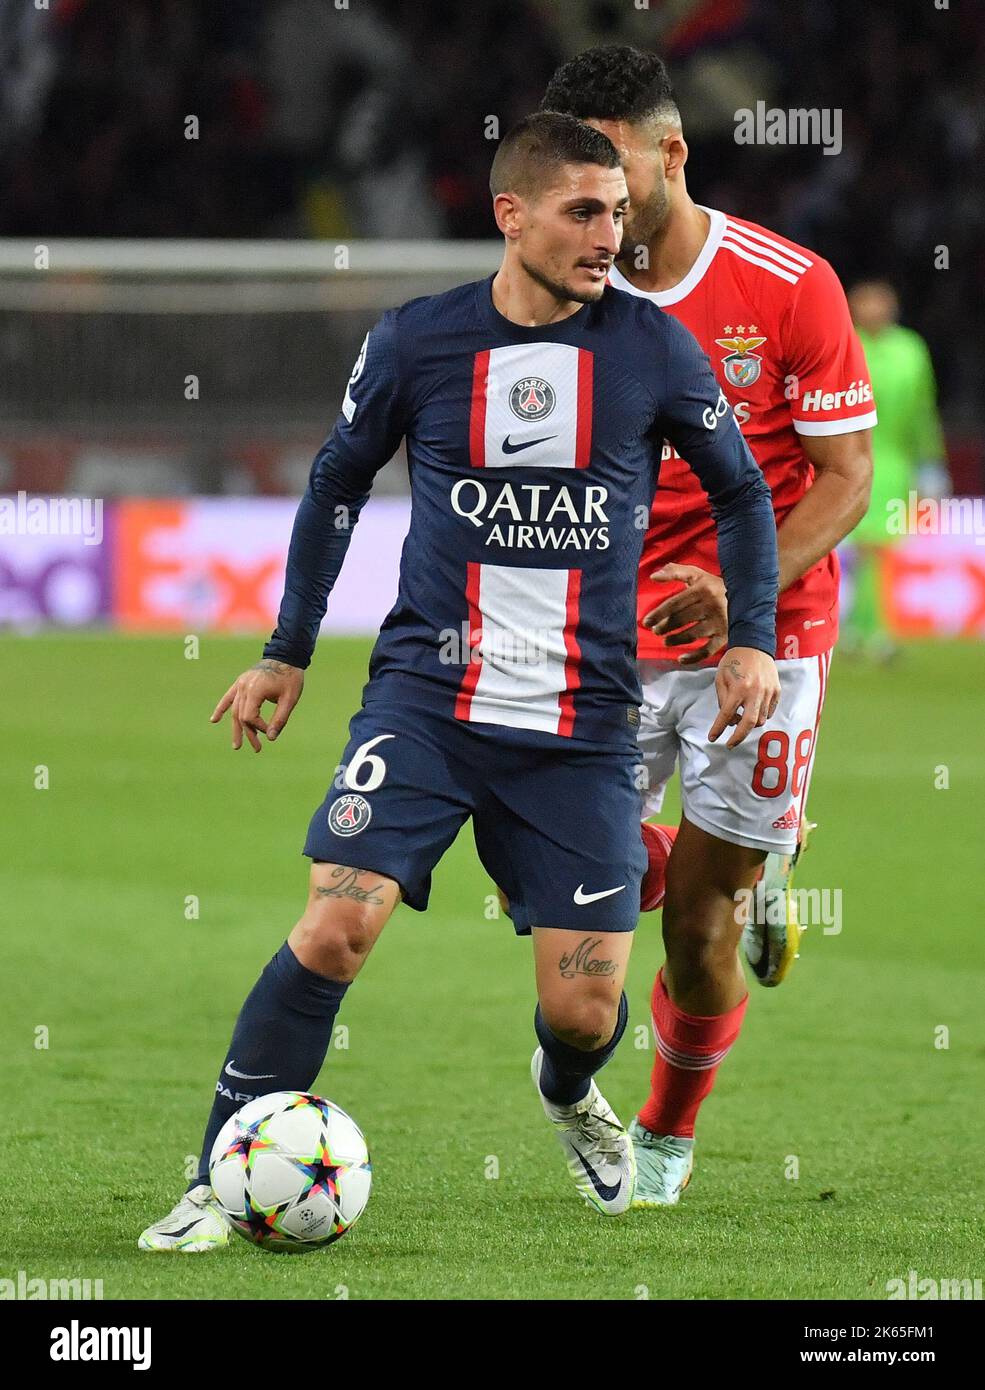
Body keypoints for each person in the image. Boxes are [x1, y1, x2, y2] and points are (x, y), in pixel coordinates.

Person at [138, 111, 779, 1251]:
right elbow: (336, 480)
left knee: (581, 1009)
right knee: (337, 926)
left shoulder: (653, 350)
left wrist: (752, 637)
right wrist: (288, 649)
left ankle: (567, 1085)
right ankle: (215, 1177)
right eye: (584, 212)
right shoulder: (417, 341)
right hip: (427, 703)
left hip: (584, 727)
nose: (608, 235)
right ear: (511, 214)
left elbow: (739, 493)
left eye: (618, 212)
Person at [541, 46, 874, 1205]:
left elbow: (845, 477)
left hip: (762, 644)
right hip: (611, 639)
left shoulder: (790, 286)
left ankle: (667, 1135)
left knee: (696, 933)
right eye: (572, 177)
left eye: (613, 167)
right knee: (567, 891)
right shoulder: (562, 288)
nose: (595, 202)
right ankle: (750, 861)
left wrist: (743, 589)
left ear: (671, 153)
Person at [845, 279, 947, 660]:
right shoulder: (844, 343)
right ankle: (870, 632)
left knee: (878, 549)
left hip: (895, 463)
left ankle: (865, 631)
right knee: (865, 550)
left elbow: (923, 410)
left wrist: (931, 462)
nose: (874, 310)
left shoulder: (911, 349)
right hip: (848, 458)